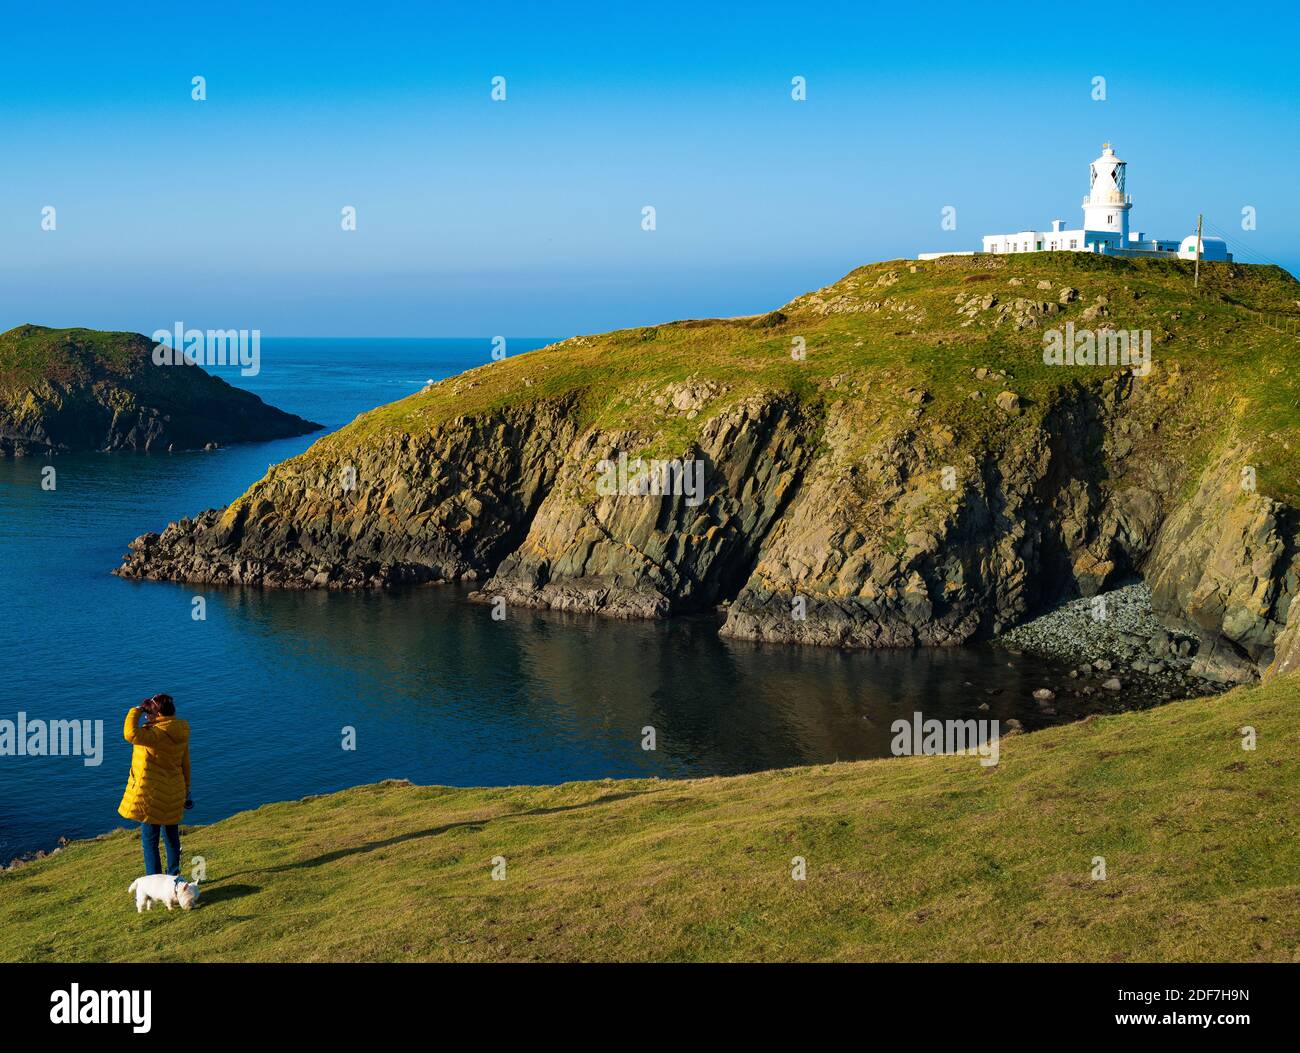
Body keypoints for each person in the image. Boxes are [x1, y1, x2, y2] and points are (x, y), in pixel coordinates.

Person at [118, 694, 192, 877]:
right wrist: (187, 790)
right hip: (174, 792)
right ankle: (174, 875)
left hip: (152, 796)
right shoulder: (180, 731)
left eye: (148, 711)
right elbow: (186, 763)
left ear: (157, 712)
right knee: (171, 837)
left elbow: (129, 733)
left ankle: (155, 879)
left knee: (150, 841)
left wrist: (136, 710)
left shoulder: (154, 735)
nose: (145, 715)